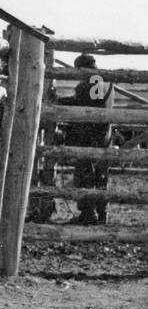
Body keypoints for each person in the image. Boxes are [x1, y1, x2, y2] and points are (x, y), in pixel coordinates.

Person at [62, 53, 113, 225]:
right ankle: (102, 213)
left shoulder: (91, 83)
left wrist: (60, 102)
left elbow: (87, 104)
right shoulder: (108, 82)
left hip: (90, 136)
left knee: (84, 174)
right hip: (104, 135)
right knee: (101, 176)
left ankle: (88, 213)